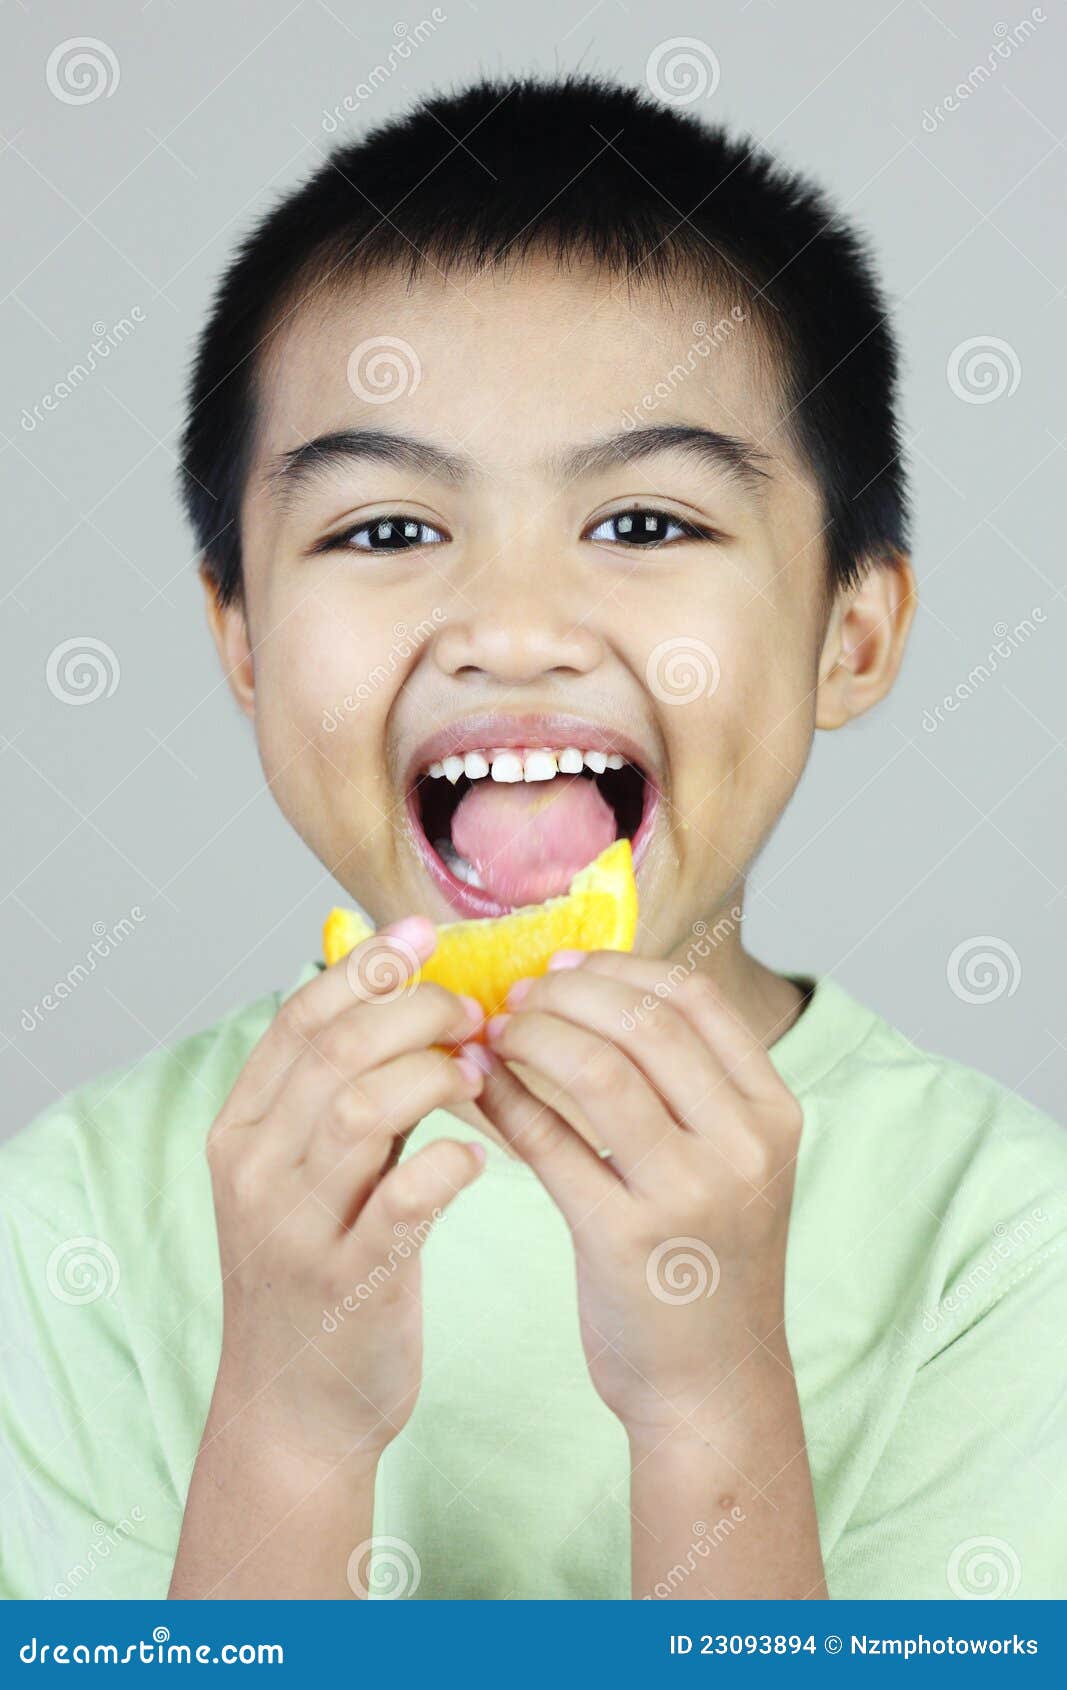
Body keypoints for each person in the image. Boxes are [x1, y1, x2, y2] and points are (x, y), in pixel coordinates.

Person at [3, 73, 1064, 1602]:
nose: (512, 629)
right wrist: (290, 1428)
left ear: (852, 628)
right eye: (384, 530)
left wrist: (710, 1402)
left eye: (644, 523)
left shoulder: (1009, 1241)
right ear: (239, 636)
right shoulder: (67, 1227)